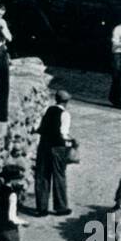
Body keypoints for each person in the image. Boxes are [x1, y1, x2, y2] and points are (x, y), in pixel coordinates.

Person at [34, 88, 76, 216]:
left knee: (42, 176)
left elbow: (40, 128)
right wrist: (73, 142)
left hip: (43, 146)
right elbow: (63, 133)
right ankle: (61, 207)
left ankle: (42, 208)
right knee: (59, 176)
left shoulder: (49, 110)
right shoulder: (65, 114)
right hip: (57, 148)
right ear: (66, 101)